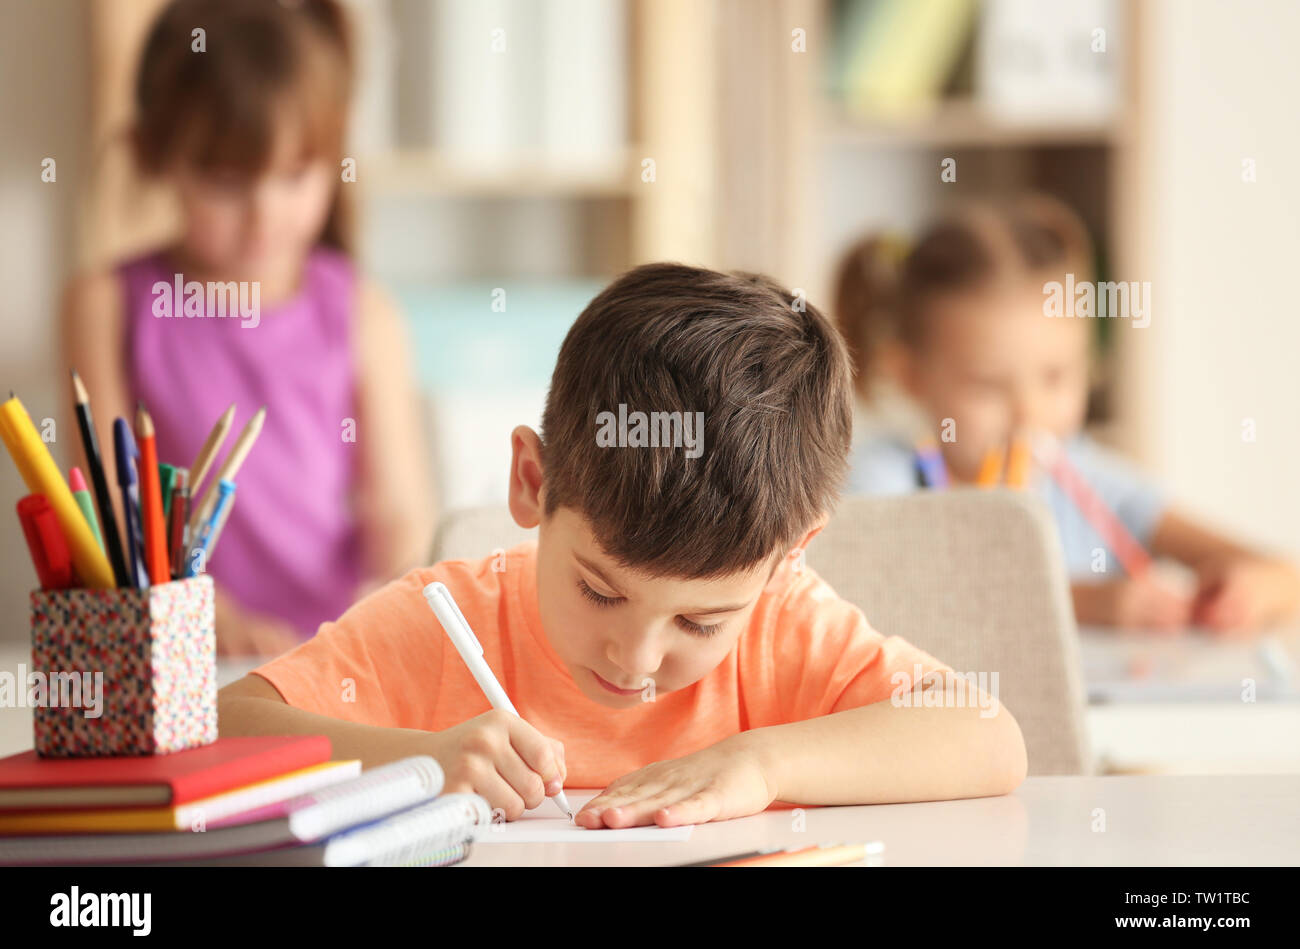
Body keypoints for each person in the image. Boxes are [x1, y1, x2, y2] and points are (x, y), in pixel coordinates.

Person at [219, 263, 1027, 827]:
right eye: (601, 591)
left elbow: (989, 734)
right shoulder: (444, 624)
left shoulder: (785, 628)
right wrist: (415, 760)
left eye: (700, 625)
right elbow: (222, 728)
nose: (635, 660)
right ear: (533, 482)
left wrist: (764, 765)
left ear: (790, 557)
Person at [61, 0, 433, 655]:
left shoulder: (363, 311)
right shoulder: (104, 305)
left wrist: (389, 585)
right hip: (175, 653)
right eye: (227, 181)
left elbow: (402, 513)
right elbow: (111, 512)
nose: (265, 214)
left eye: (295, 176)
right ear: (157, 155)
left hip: (331, 651)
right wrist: (201, 611)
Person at [836, 196, 1299, 634]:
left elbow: (1285, 577)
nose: (1029, 413)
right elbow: (892, 598)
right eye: (989, 385)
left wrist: (1248, 591)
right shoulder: (884, 484)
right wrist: (1083, 603)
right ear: (910, 375)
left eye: (1055, 376)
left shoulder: (1090, 482)